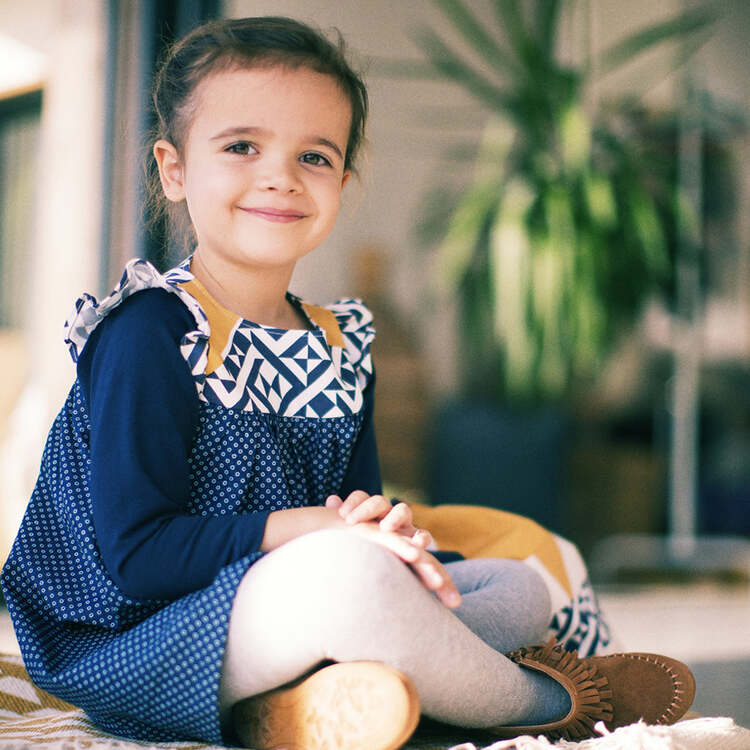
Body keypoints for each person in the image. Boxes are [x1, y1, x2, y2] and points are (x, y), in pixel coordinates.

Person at [1, 16, 694, 750]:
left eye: (314, 156)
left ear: (342, 182)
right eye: (241, 147)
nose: (280, 176)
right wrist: (317, 534)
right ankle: (547, 703)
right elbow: (139, 558)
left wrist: (393, 538)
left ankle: (311, 705)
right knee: (351, 584)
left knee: (518, 585)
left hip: (295, 605)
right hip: (140, 639)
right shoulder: (150, 330)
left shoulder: (339, 344)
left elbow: (357, 510)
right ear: (174, 170)